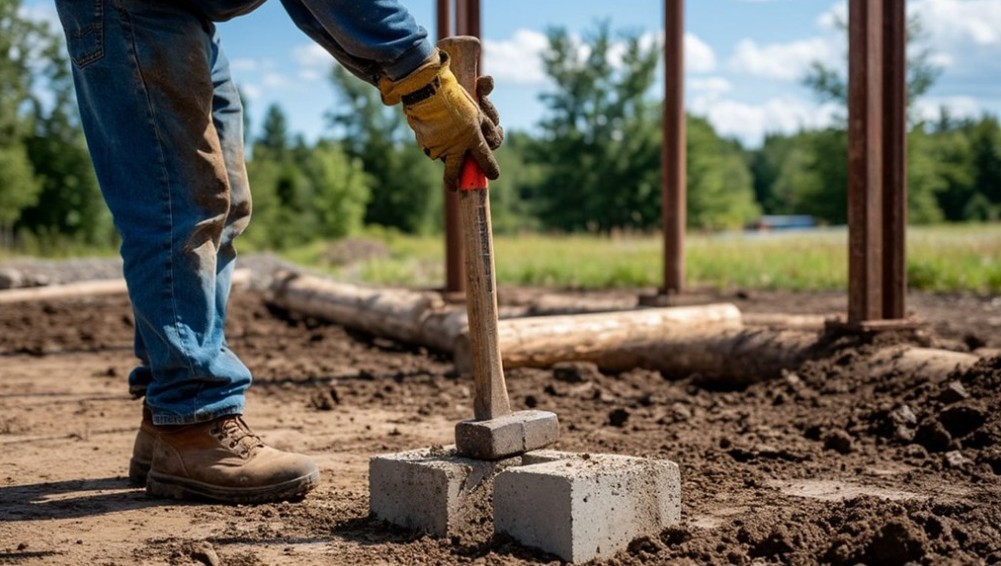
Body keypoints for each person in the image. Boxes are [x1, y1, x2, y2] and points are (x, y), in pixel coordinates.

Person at [53, 0, 502, 504]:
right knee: (178, 199)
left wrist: (409, 75)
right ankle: (193, 419)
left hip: (183, 12)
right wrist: (415, 68)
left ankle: (168, 419)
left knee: (222, 203)